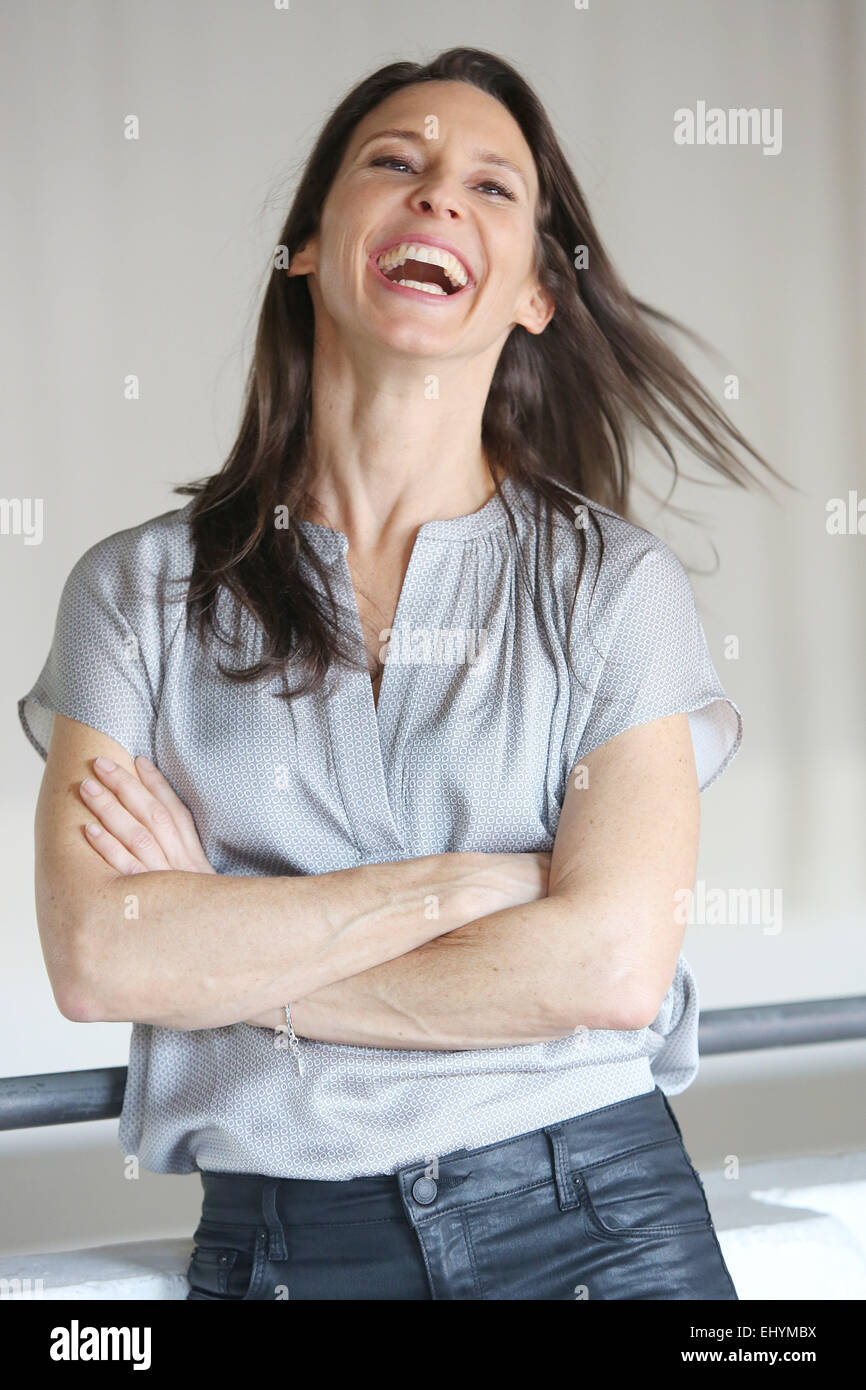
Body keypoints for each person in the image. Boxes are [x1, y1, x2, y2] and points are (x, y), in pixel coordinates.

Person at [18, 48, 786, 1300]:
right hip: (285, 1251)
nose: (436, 197)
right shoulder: (135, 595)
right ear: (308, 245)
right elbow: (105, 957)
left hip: (596, 1219)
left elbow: (604, 969)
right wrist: (473, 889)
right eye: (394, 163)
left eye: (492, 187)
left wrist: (228, 963)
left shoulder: (612, 587)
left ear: (538, 290)